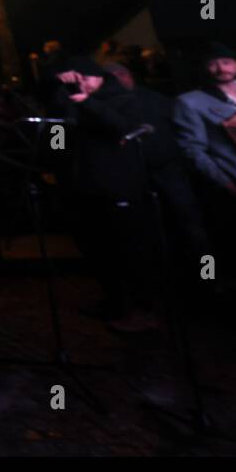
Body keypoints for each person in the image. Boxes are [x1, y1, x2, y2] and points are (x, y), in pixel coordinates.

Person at [49, 58, 156, 332]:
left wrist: (86, 101)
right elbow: (61, 129)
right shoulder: (73, 99)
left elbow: (119, 126)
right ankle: (114, 302)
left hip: (118, 185)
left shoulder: (121, 98)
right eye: (77, 79)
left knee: (127, 249)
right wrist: (63, 90)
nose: (81, 83)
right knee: (97, 249)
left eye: (85, 78)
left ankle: (140, 309)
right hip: (86, 185)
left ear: (99, 78)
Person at [107, 62, 211, 288]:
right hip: (134, 175)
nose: (118, 79)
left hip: (170, 169)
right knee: (149, 230)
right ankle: (164, 281)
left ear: (129, 75)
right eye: (112, 76)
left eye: (121, 73)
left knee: (191, 225)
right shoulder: (108, 105)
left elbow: (182, 129)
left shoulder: (156, 99)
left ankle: (208, 277)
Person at [173, 43, 236, 257]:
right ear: (205, 68)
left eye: (226, 62)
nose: (221, 68)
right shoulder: (190, 102)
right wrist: (224, 180)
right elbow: (192, 149)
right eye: (213, 64)